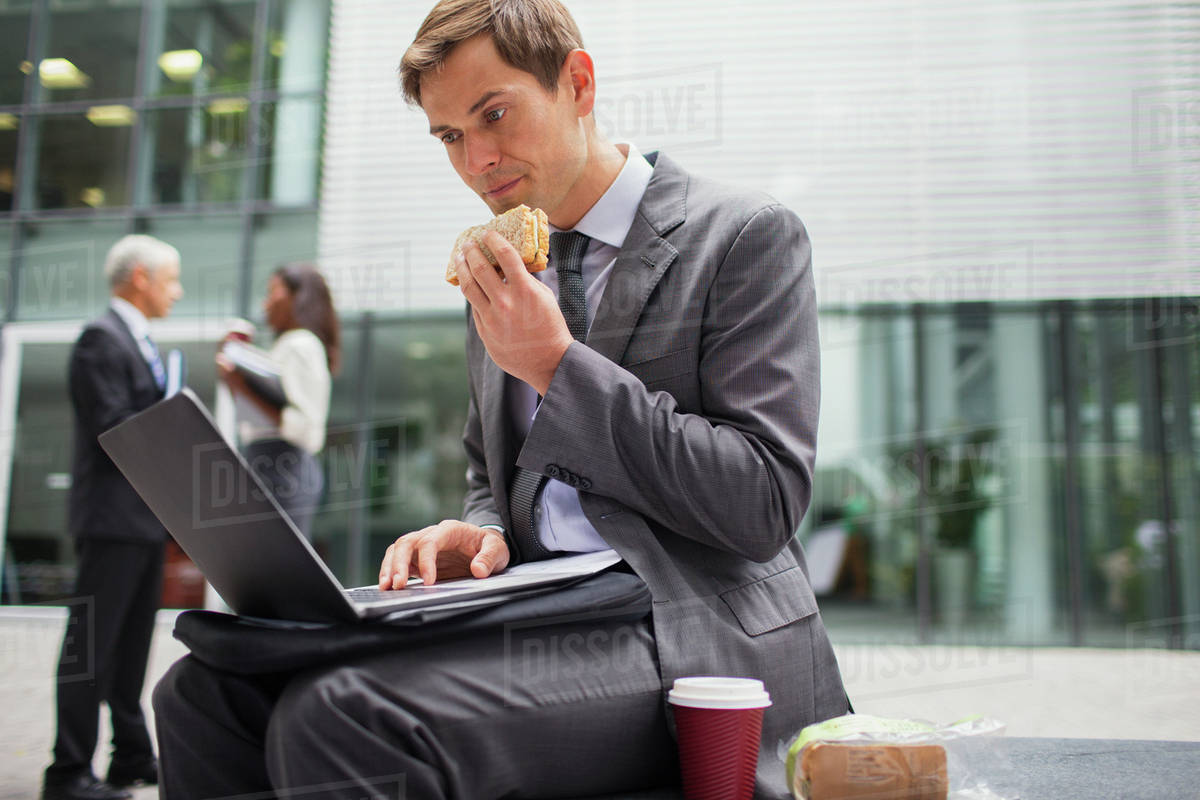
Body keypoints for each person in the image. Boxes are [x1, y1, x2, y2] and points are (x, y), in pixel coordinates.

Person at [152, 2, 849, 798]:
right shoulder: (496, 268)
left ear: (577, 84)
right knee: (202, 694)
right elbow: (494, 475)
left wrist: (556, 366)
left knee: (347, 715)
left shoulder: (743, 236)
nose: (477, 158)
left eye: (494, 113)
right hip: (541, 606)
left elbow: (763, 503)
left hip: (692, 625)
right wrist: (481, 532)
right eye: (450, 135)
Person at [43, 235, 183, 800]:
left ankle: (129, 756)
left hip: (143, 520)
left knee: (129, 649)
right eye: (171, 279)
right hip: (111, 520)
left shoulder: (139, 341)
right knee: (90, 648)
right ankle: (68, 771)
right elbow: (113, 425)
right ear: (141, 278)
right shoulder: (100, 339)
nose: (177, 292)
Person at [216, 263, 340, 538]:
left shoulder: (301, 344)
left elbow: (304, 427)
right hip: (270, 462)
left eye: (273, 291)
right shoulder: (289, 345)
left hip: (283, 464)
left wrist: (242, 385)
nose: (266, 302)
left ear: (298, 297)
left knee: (277, 564)